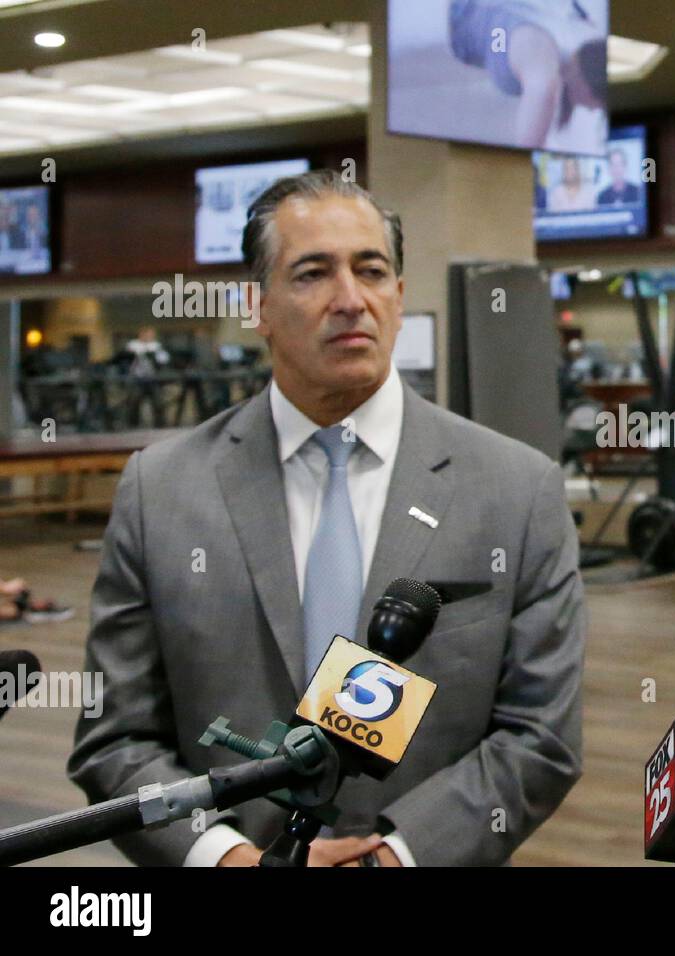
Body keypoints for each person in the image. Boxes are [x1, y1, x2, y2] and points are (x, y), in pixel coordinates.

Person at [69, 170, 586, 867]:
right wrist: (223, 858)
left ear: (399, 296)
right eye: (312, 274)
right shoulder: (160, 489)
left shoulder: (516, 490)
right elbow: (115, 739)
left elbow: (539, 735)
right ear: (257, 305)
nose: (351, 300)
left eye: (371, 270)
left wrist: (393, 859)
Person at [449, 0, 606, 149]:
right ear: (591, 87)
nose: (593, 109)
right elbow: (526, 154)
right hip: (463, 18)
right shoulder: (544, 81)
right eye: (599, 106)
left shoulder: (570, 48)